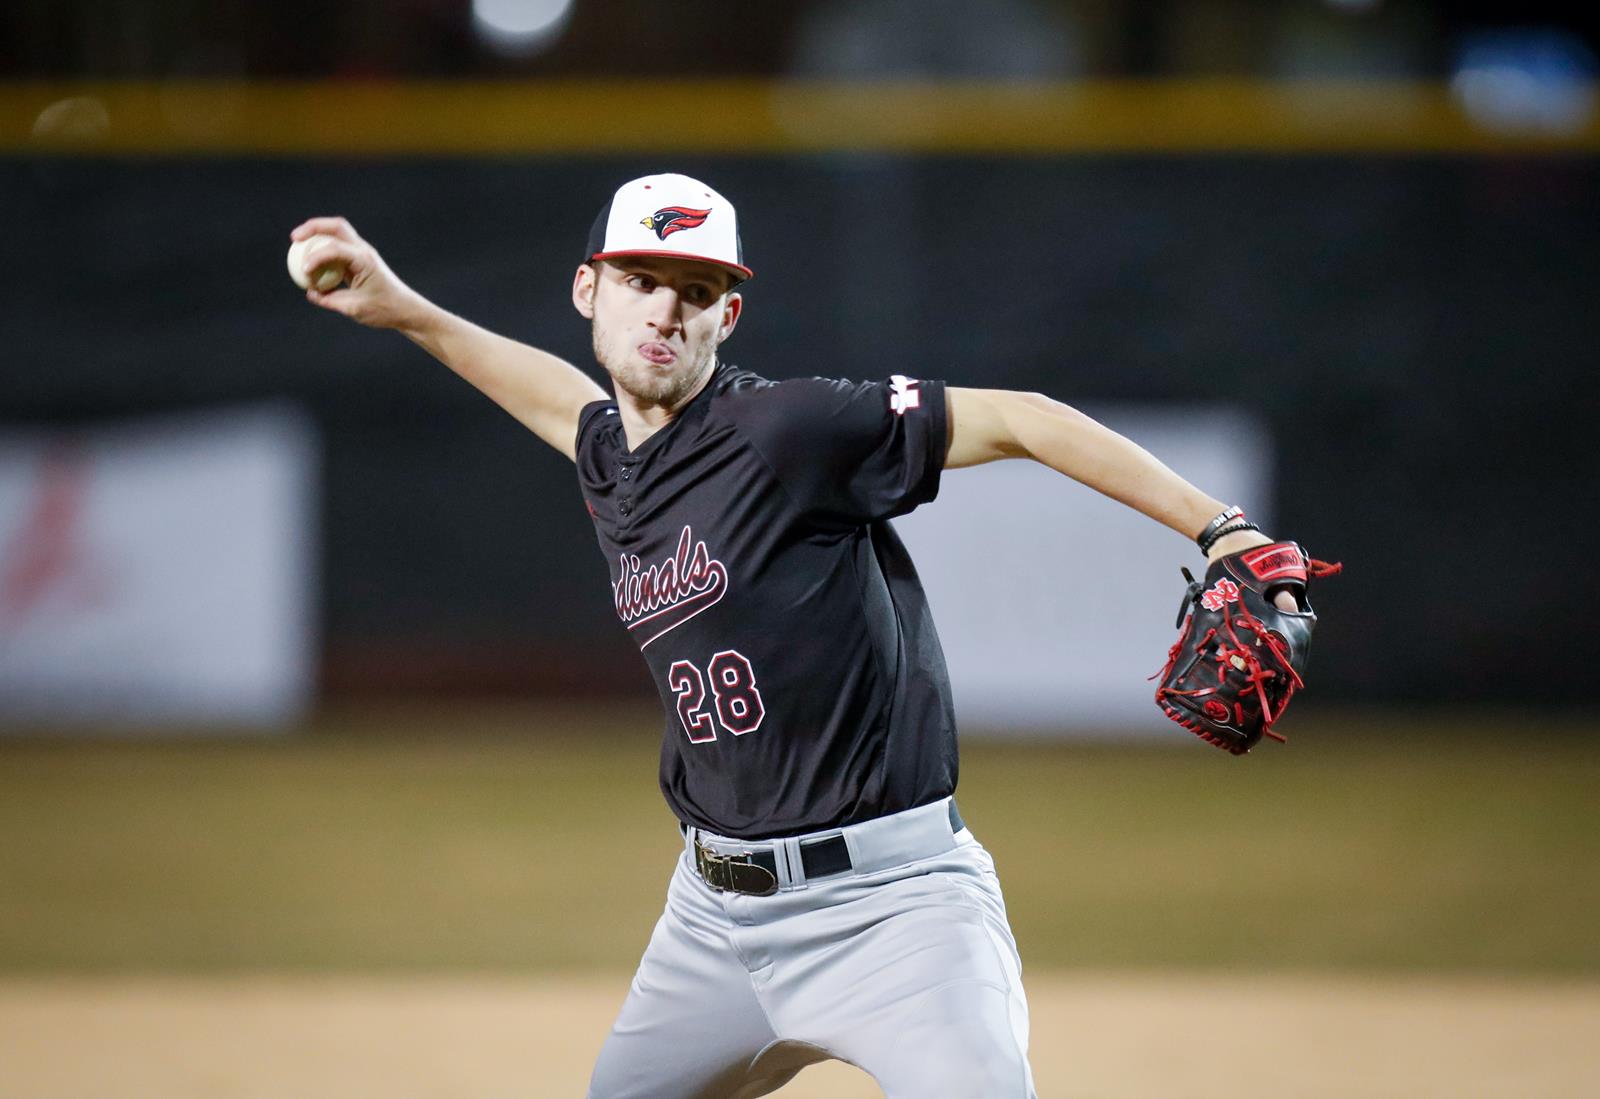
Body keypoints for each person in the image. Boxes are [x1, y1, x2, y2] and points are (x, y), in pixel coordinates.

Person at [292, 172, 1294, 1098]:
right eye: (641, 277)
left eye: (694, 287)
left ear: (727, 315)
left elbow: (1025, 418)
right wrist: (402, 306)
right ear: (587, 290)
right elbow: (557, 400)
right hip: (712, 922)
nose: (664, 307)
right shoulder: (614, 458)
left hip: (896, 913)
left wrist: (1221, 528)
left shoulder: (788, 429)